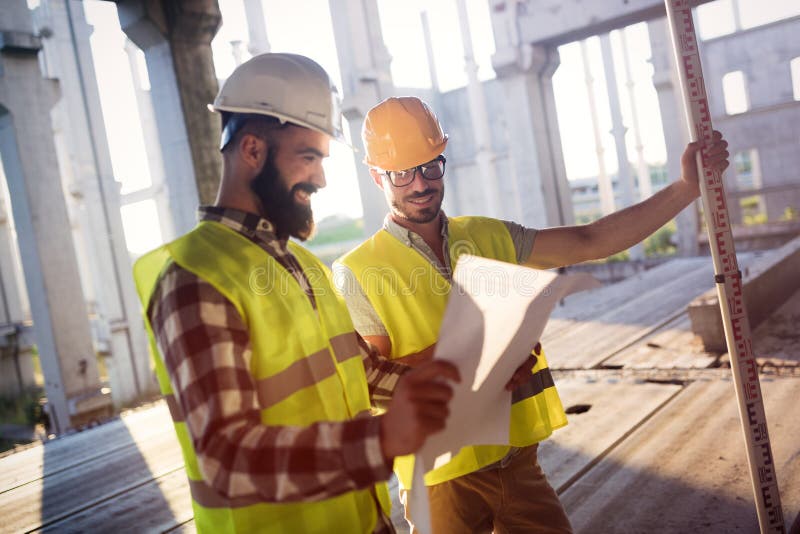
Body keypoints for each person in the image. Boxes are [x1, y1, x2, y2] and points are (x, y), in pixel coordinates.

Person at [333, 96, 730, 533]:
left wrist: (686, 189)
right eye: (402, 173)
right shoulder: (359, 270)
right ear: (377, 176)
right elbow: (372, 383)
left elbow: (589, 240)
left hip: (517, 463)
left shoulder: (487, 234)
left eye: (430, 166)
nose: (420, 183)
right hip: (440, 480)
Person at [132, 56, 460, 534]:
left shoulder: (303, 264)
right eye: (309, 156)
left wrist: (464, 379)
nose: (322, 179)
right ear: (251, 150)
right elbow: (227, 460)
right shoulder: (196, 279)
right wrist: (380, 438)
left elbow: (360, 372)